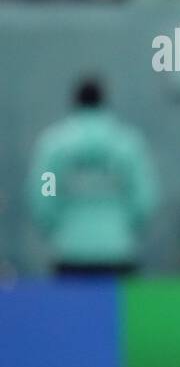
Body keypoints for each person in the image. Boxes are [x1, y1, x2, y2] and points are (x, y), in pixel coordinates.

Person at [27, 79, 158, 275]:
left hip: (69, 248)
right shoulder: (127, 144)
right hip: (118, 247)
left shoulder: (54, 146)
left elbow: (45, 194)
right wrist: (125, 226)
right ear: (104, 102)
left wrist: (56, 226)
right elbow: (143, 197)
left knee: (73, 307)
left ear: (74, 102)